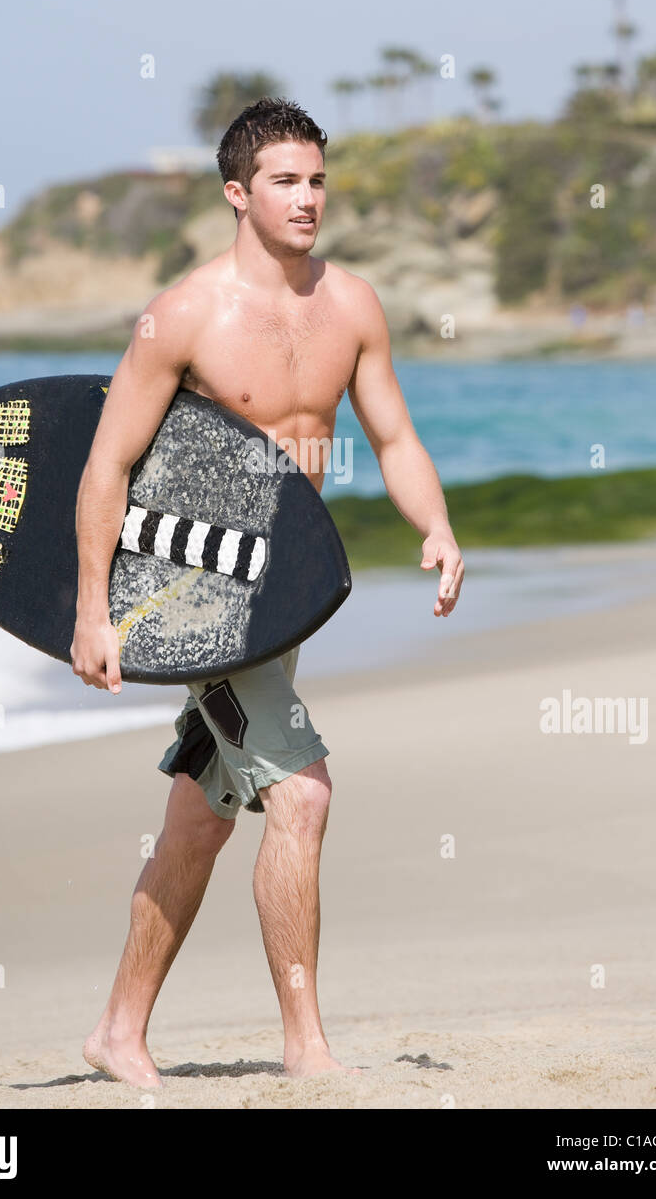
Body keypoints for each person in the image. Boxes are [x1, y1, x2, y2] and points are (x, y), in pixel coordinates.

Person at [71, 97, 464, 1086]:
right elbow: (105, 465)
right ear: (236, 194)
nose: (306, 199)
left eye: (317, 180)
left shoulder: (353, 305)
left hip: (277, 593)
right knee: (303, 791)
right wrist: (90, 609)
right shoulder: (187, 313)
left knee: (200, 821)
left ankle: (117, 1030)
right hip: (189, 589)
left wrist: (436, 523)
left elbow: (393, 438)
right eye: (284, 182)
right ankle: (307, 1049)